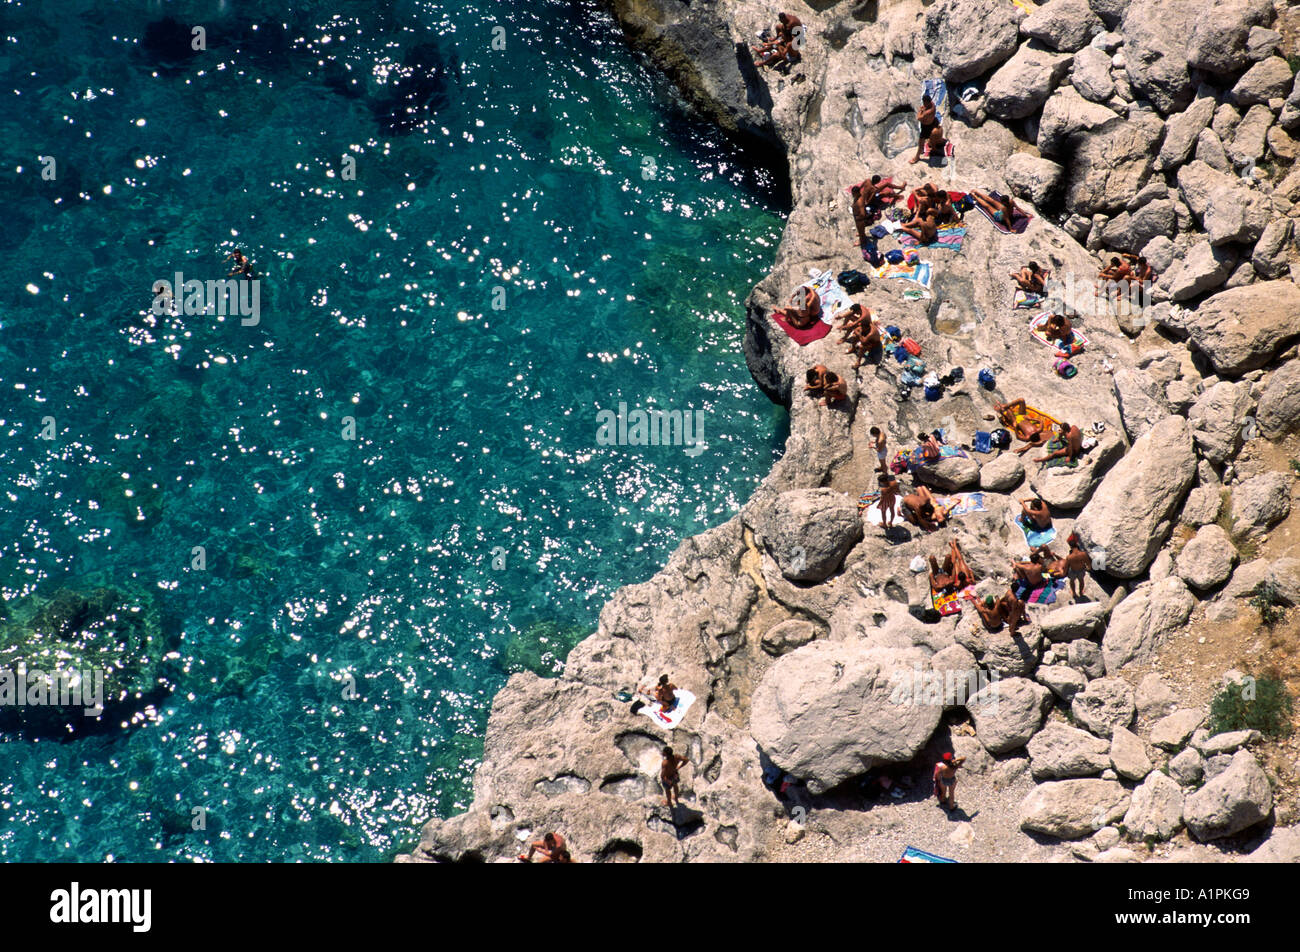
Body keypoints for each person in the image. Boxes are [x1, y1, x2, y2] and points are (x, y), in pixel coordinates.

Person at [909, 94, 938, 165]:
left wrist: (920, 110)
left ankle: (917, 157)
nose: (923, 104)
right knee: (930, 138)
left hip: (926, 127)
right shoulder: (932, 104)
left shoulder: (928, 112)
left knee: (921, 143)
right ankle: (932, 147)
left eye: (924, 102)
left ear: (927, 102)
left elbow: (919, 117)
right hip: (932, 123)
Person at [1063, 531, 1092, 600]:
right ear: (1076, 545)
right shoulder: (1083, 554)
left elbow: (1066, 567)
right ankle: (1081, 592)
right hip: (1081, 569)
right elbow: (1088, 563)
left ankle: (1074, 593)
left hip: (1073, 570)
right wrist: (1089, 568)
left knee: (1072, 581)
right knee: (1081, 581)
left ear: (1070, 547)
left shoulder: (1069, 557)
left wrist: (1064, 573)